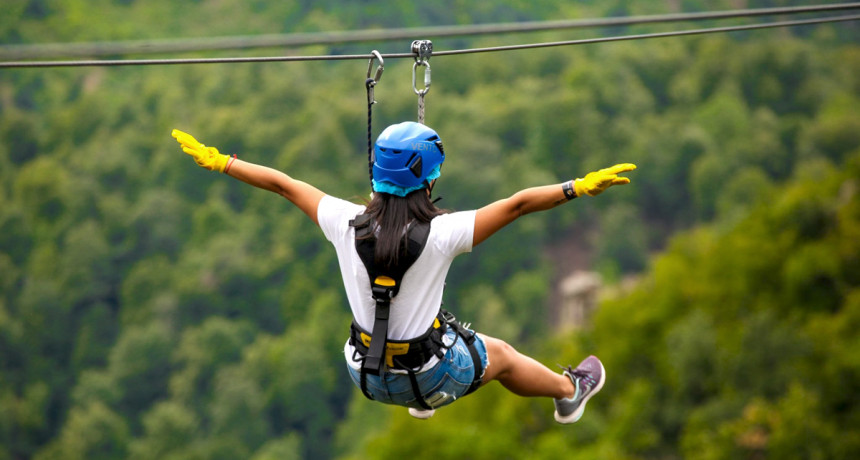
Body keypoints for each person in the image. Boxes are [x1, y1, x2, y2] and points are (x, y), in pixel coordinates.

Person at [171, 122, 635, 423]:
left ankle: (419, 394)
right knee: (504, 357)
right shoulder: (444, 233)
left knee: (419, 317)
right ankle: (570, 391)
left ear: (376, 175)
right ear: (430, 178)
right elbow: (515, 205)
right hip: (428, 374)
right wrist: (578, 187)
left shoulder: (341, 220)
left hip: (364, 374)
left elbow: (283, 185)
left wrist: (223, 162)